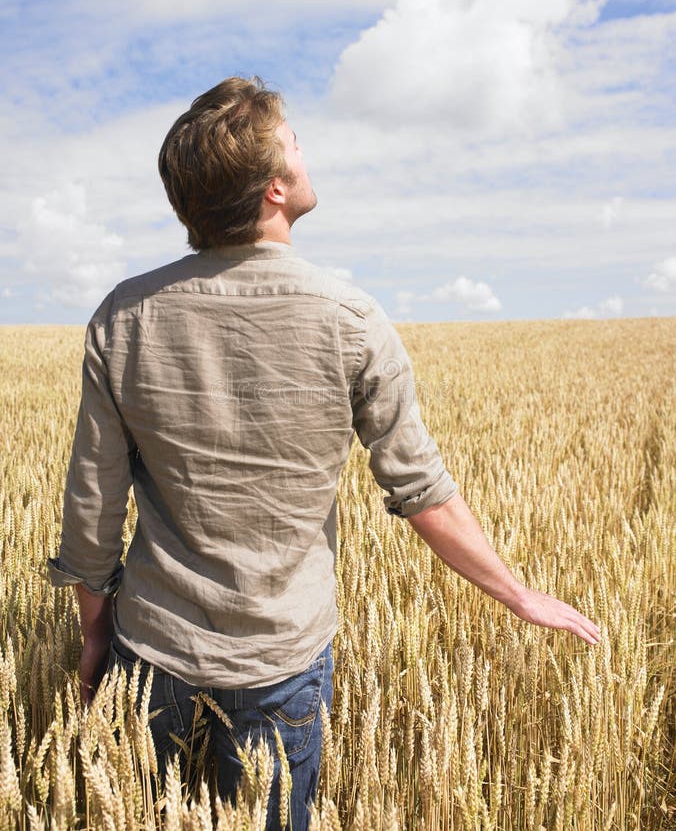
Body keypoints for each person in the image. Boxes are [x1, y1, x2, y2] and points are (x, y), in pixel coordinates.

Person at [46, 76, 601, 830]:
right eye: (297, 143)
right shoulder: (352, 320)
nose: (307, 153)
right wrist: (517, 593)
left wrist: (93, 631)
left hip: (154, 651)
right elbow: (424, 494)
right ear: (275, 187)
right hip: (283, 660)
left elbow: (94, 502)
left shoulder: (124, 317)